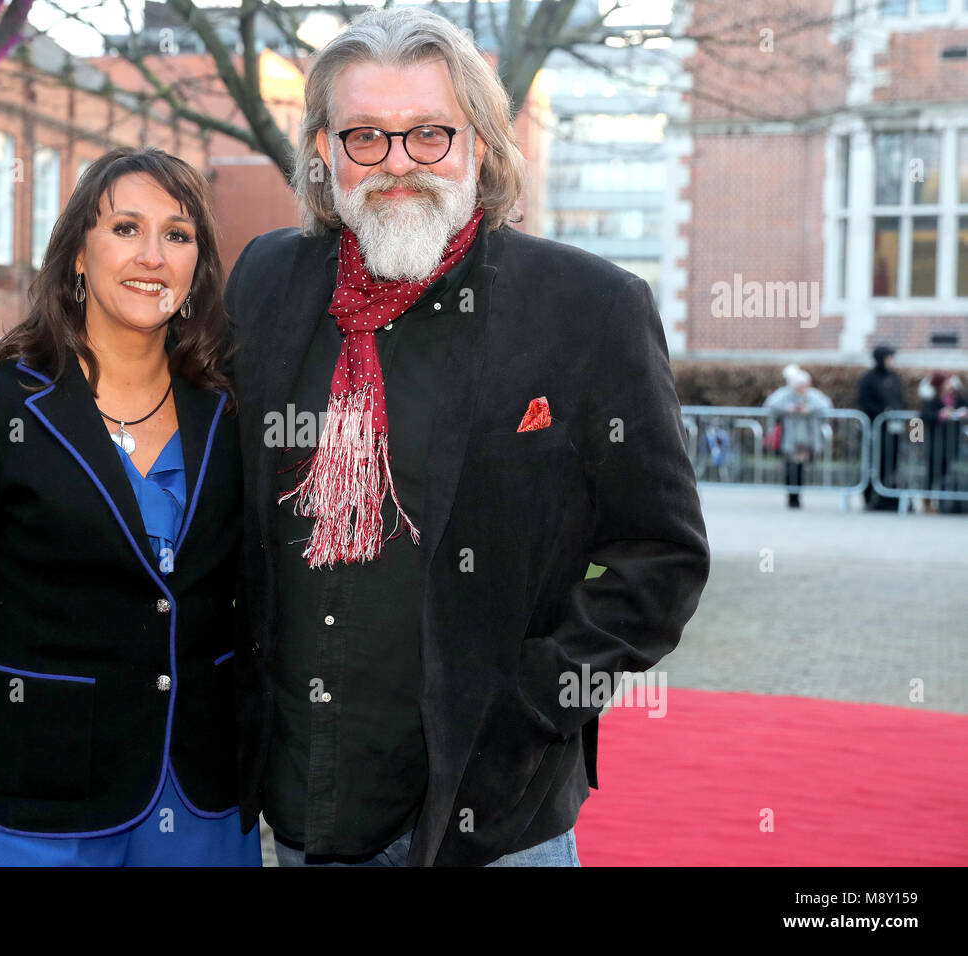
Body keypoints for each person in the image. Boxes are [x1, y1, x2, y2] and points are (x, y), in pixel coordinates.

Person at [225, 7, 708, 866]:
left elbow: (662, 557)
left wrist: (535, 705)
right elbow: (196, 470)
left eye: (430, 134)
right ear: (324, 153)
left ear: (480, 144)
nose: (397, 163)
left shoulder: (588, 308)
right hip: (304, 803)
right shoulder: (266, 280)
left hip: (493, 815)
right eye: (365, 136)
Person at [0, 147, 260, 866]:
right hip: (34, 801)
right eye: (126, 228)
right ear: (79, 257)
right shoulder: (0, 403)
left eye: (177, 235)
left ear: (197, 267)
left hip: (202, 800)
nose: (152, 255)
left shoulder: (236, 404)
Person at [764, 364, 833, 509]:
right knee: (790, 467)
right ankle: (791, 496)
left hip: (807, 438)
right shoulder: (785, 394)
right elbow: (771, 406)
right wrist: (787, 409)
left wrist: (810, 410)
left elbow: (826, 406)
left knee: (801, 468)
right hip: (790, 438)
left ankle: (798, 495)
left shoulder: (813, 396)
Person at [856, 345, 904, 510]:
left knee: (890, 464)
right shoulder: (869, 378)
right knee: (873, 463)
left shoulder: (894, 377)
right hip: (875, 429)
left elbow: (899, 399)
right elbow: (864, 401)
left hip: (893, 430)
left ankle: (887, 497)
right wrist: (882, 413)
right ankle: (870, 497)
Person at [919, 371, 968, 514]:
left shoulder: (957, 397)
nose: (951, 384)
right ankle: (927, 502)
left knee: (947, 472)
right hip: (935, 442)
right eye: (947, 381)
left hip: (951, 441)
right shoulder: (931, 398)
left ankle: (942, 503)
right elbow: (924, 416)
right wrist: (940, 415)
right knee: (932, 473)